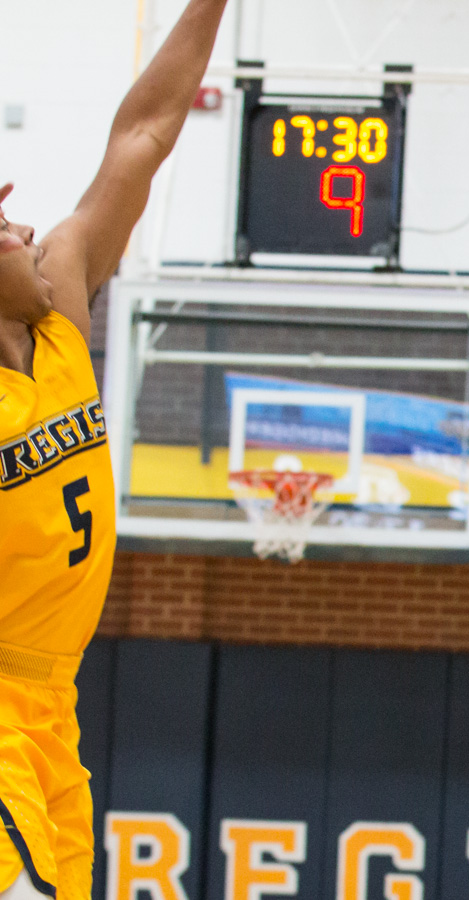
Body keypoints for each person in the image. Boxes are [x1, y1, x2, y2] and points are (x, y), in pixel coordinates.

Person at [0, 2, 229, 899]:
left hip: (54, 705)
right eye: (3, 228)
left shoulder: (60, 301)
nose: (26, 228)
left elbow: (144, 131)